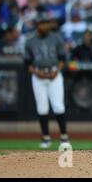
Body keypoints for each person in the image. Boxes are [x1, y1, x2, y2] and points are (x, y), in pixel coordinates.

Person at [24, 12, 69, 148]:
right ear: (37, 25)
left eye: (47, 23)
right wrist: (37, 73)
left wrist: (56, 71)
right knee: (42, 108)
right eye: (42, 23)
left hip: (54, 73)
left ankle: (64, 136)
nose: (46, 26)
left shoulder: (56, 38)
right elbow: (27, 63)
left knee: (58, 106)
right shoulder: (30, 41)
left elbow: (62, 58)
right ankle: (46, 138)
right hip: (38, 75)